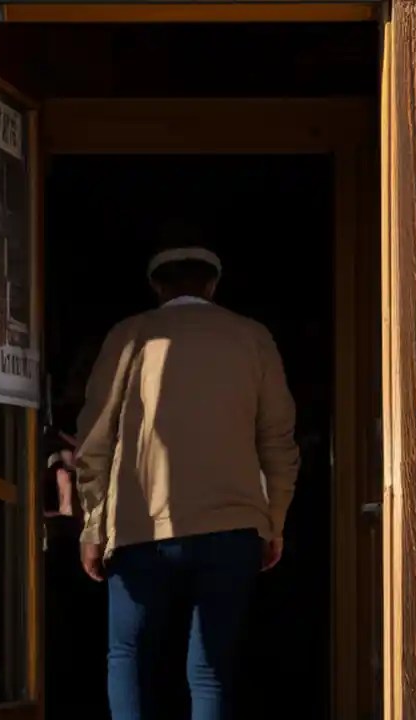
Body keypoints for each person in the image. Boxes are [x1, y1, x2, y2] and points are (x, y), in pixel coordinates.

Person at [73, 221, 301, 720]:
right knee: (210, 671)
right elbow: (278, 440)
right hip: (232, 526)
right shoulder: (252, 337)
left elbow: (96, 438)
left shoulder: (129, 335)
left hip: (140, 527)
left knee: (127, 655)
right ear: (212, 286)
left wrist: (93, 524)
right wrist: (274, 520)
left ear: (157, 287)